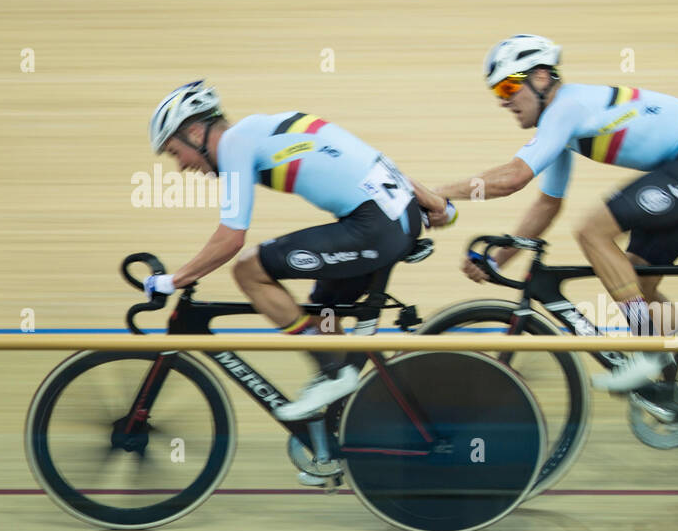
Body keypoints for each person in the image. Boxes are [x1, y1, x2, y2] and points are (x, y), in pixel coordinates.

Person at [434, 35, 678, 391]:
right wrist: (500, 259)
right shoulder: (562, 125)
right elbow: (547, 205)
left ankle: (650, 351)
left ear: (539, 77)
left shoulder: (566, 108)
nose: (505, 102)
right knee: (635, 279)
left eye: (508, 87)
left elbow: (514, 177)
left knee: (592, 231)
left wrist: (438, 193)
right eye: (497, 94)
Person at [147, 80, 456, 420]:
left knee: (249, 270)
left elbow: (231, 238)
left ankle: (335, 375)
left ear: (194, 132)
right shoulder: (260, 129)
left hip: (373, 227)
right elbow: (368, 159)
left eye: (176, 153)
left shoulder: (234, 143)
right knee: (325, 311)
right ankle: (340, 426)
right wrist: (435, 203)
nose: (182, 166)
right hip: (390, 218)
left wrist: (173, 280)